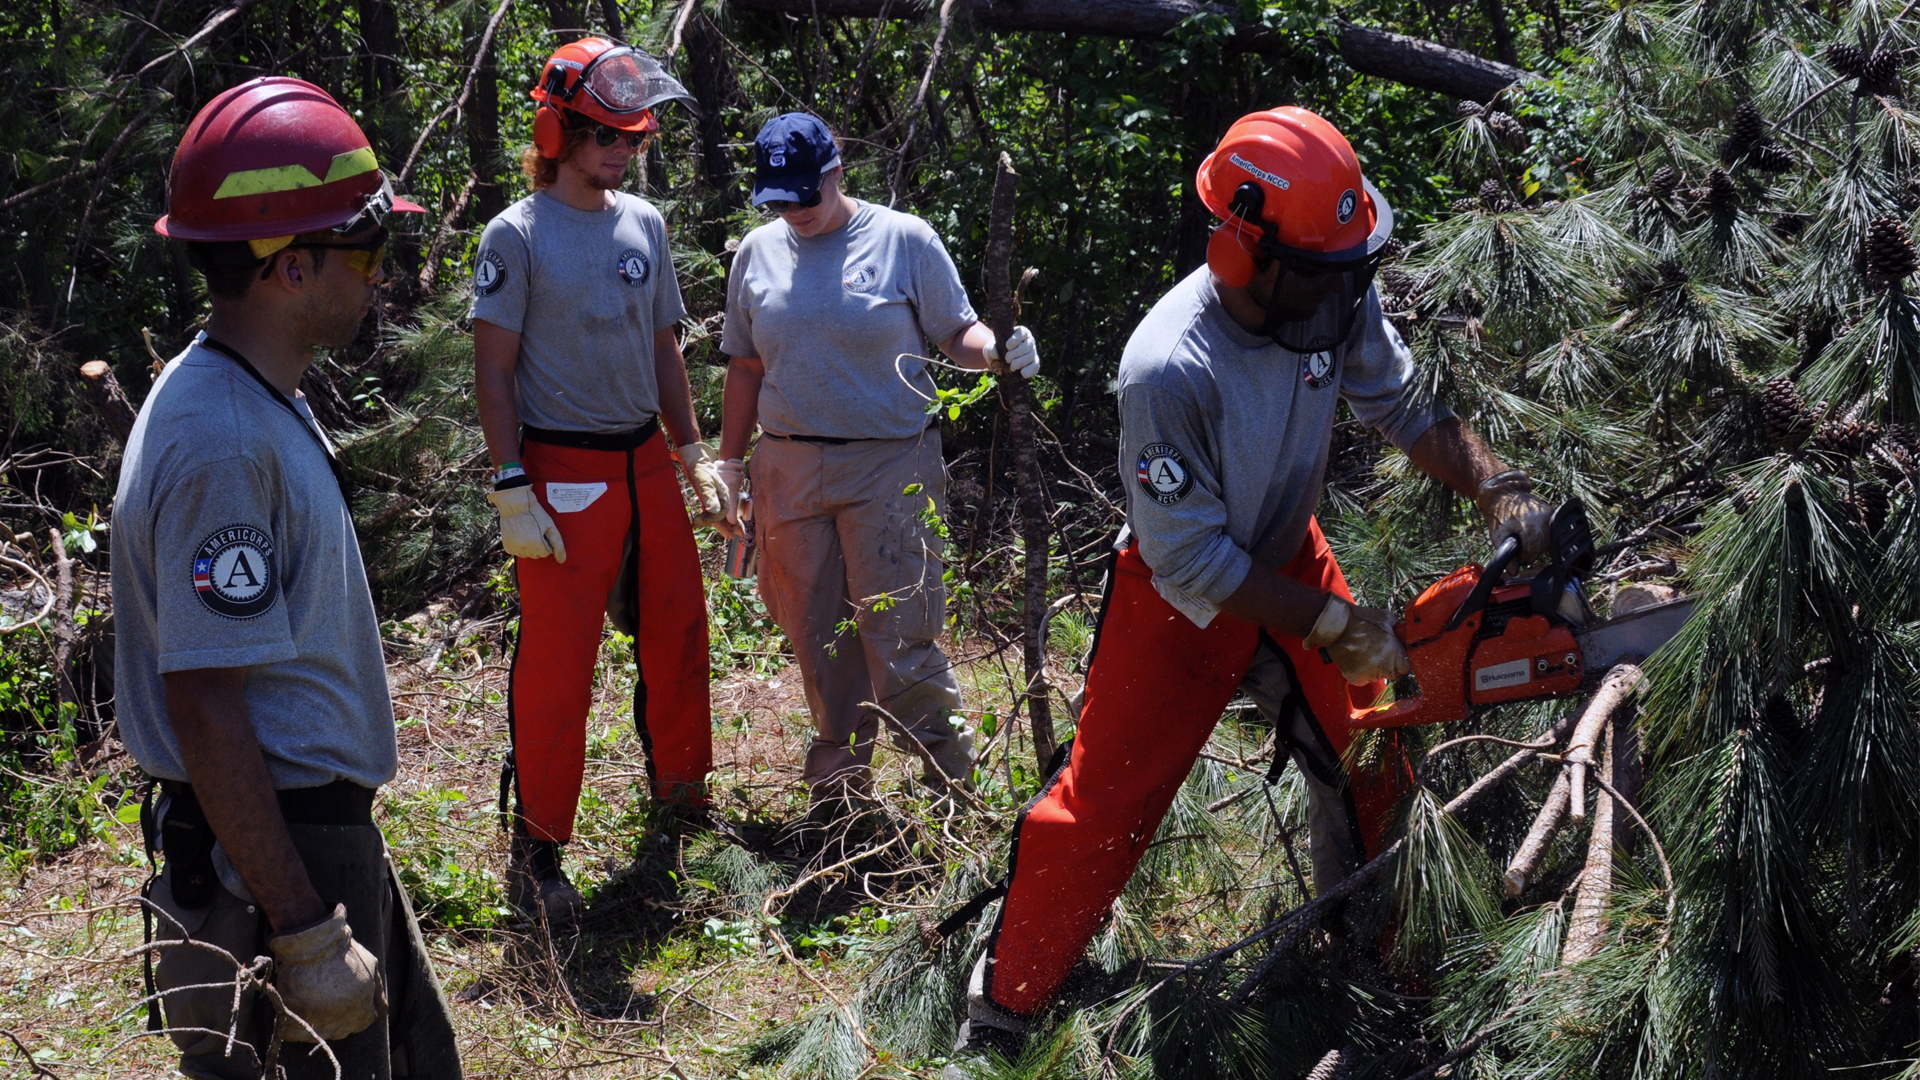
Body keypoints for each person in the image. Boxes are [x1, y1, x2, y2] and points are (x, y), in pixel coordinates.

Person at [945, 107, 1554, 1069]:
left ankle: (1386, 964)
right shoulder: (1167, 365)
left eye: (1350, 269)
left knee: (1372, 752)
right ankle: (1007, 1000)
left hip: (1286, 549)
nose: (1348, 291)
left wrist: (1500, 486)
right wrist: (1326, 621)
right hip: (1179, 591)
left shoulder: (1332, 290)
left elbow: (1398, 400)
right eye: (1323, 272)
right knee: (1104, 803)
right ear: (1244, 251)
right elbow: (1192, 559)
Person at [121, 76, 462, 1078]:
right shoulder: (223, 441)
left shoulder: (249, 399)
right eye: (370, 254)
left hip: (313, 839)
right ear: (291, 266)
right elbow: (207, 703)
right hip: (278, 855)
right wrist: (305, 932)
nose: (382, 279)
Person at [713, 113, 1041, 815]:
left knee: (901, 640)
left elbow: (956, 330)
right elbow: (743, 365)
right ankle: (842, 804)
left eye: (806, 194)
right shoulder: (757, 253)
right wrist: (730, 464)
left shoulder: (903, 239)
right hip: (790, 470)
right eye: (779, 200)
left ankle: (955, 799)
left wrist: (999, 350)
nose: (794, 212)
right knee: (820, 637)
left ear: (837, 173)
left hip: (890, 467)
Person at [470, 38, 723, 925]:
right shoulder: (517, 234)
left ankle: (683, 799)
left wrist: (695, 453)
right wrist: (511, 483)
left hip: (644, 457)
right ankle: (539, 849)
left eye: (636, 139)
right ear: (558, 130)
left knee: (679, 630)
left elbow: (664, 347)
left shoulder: (641, 225)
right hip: (561, 465)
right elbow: (493, 371)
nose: (624, 152)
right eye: (607, 136)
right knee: (557, 667)